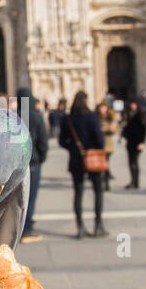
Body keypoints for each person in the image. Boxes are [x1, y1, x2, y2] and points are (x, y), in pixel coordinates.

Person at [59, 91, 106, 238]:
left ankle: (80, 227)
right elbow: (100, 141)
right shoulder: (92, 117)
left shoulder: (67, 119)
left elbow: (62, 141)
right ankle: (98, 225)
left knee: (78, 192)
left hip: (76, 160)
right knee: (98, 191)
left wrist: (73, 149)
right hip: (93, 159)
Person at [17, 86, 49, 243]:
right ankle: (27, 229)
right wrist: (40, 158)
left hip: (16, 164)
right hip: (33, 163)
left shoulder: (12, 116)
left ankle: (17, 227)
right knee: (30, 196)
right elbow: (43, 142)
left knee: (17, 198)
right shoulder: (36, 117)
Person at [120, 100, 146, 189]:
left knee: (134, 162)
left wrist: (142, 142)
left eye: (134, 104)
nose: (133, 106)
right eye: (131, 104)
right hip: (130, 142)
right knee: (131, 162)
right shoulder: (128, 114)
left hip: (137, 141)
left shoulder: (140, 115)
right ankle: (133, 181)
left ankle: (135, 182)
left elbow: (144, 130)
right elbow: (126, 128)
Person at [97, 101, 117, 191]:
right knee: (102, 164)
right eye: (101, 107)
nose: (102, 109)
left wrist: (105, 128)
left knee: (105, 163)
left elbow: (114, 130)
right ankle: (103, 182)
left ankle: (106, 183)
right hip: (98, 144)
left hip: (108, 144)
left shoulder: (110, 117)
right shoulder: (96, 117)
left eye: (104, 107)